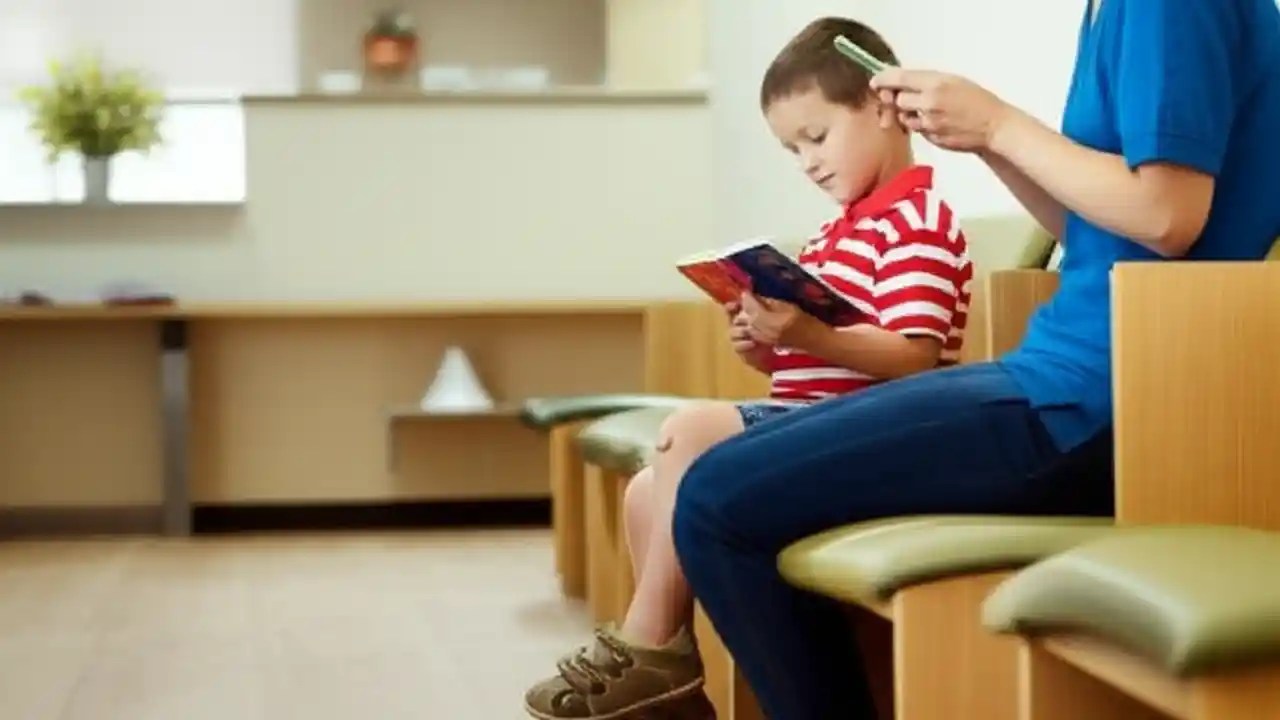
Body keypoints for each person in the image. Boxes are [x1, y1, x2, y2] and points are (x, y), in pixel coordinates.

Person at [671, 0, 1280, 718]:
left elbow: (1168, 217)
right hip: (1074, 377)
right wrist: (983, 140)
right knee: (729, 470)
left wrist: (998, 122)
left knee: (717, 500)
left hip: (1099, 399)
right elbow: (1099, 235)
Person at [523, 17, 973, 720]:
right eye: (792, 150)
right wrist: (767, 342)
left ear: (883, 108)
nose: (808, 162)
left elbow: (914, 355)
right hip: (812, 423)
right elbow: (814, 351)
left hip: (858, 433)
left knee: (690, 430)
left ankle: (647, 648)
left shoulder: (915, 223)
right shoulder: (833, 232)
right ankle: (673, 681)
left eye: (817, 137)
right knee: (646, 492)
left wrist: (811, 334)